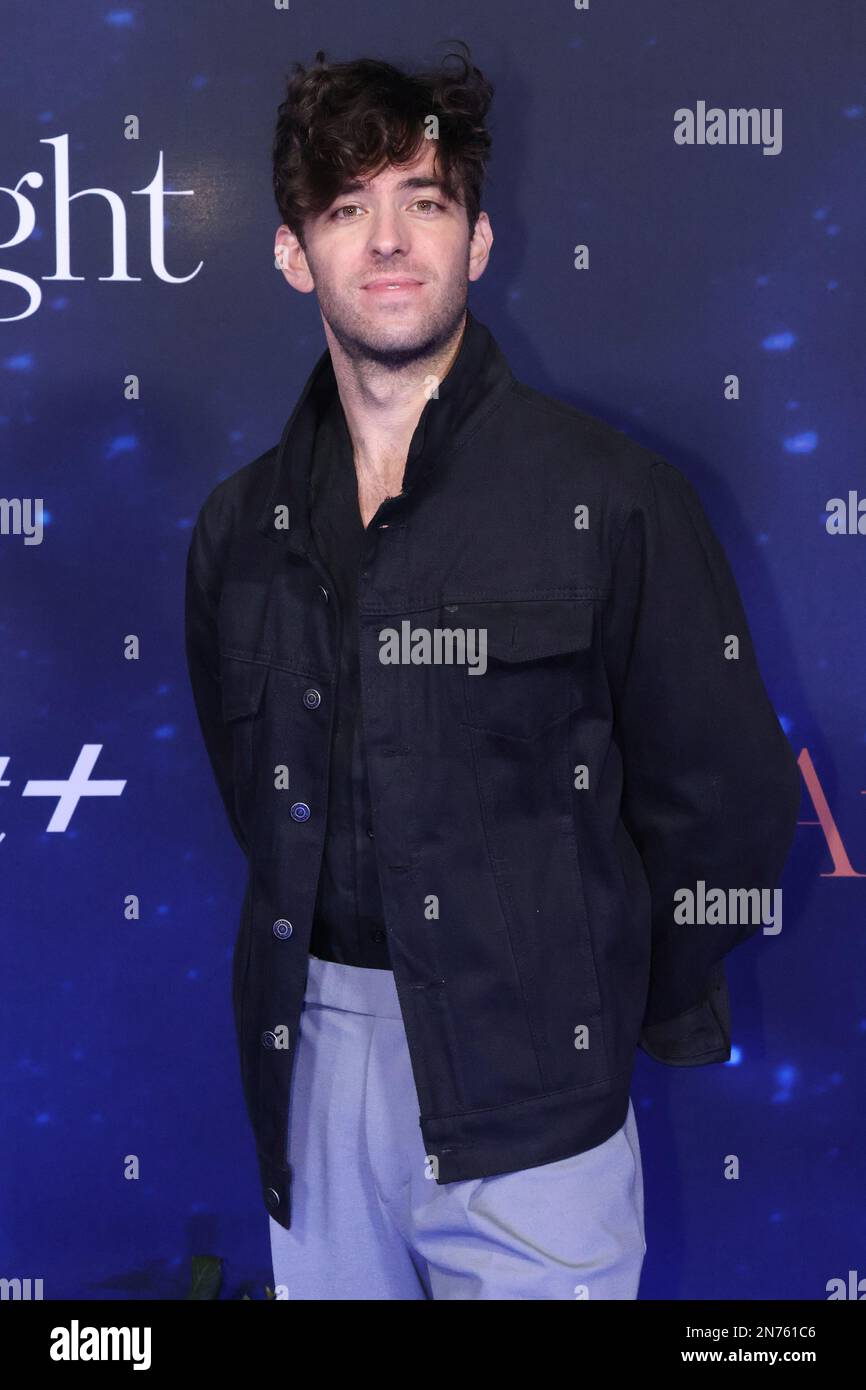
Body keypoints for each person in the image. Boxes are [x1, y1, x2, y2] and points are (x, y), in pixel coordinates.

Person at [184, 42, 801, 1300]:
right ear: (294, 255)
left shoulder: (609, 496)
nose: (389, 239)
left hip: (537, 1088)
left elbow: (724, 807)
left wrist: (581, 988)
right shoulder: (237, 526)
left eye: (424, 200)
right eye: (346, 209)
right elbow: (250, 787)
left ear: (477, 239)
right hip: (310, 1070)